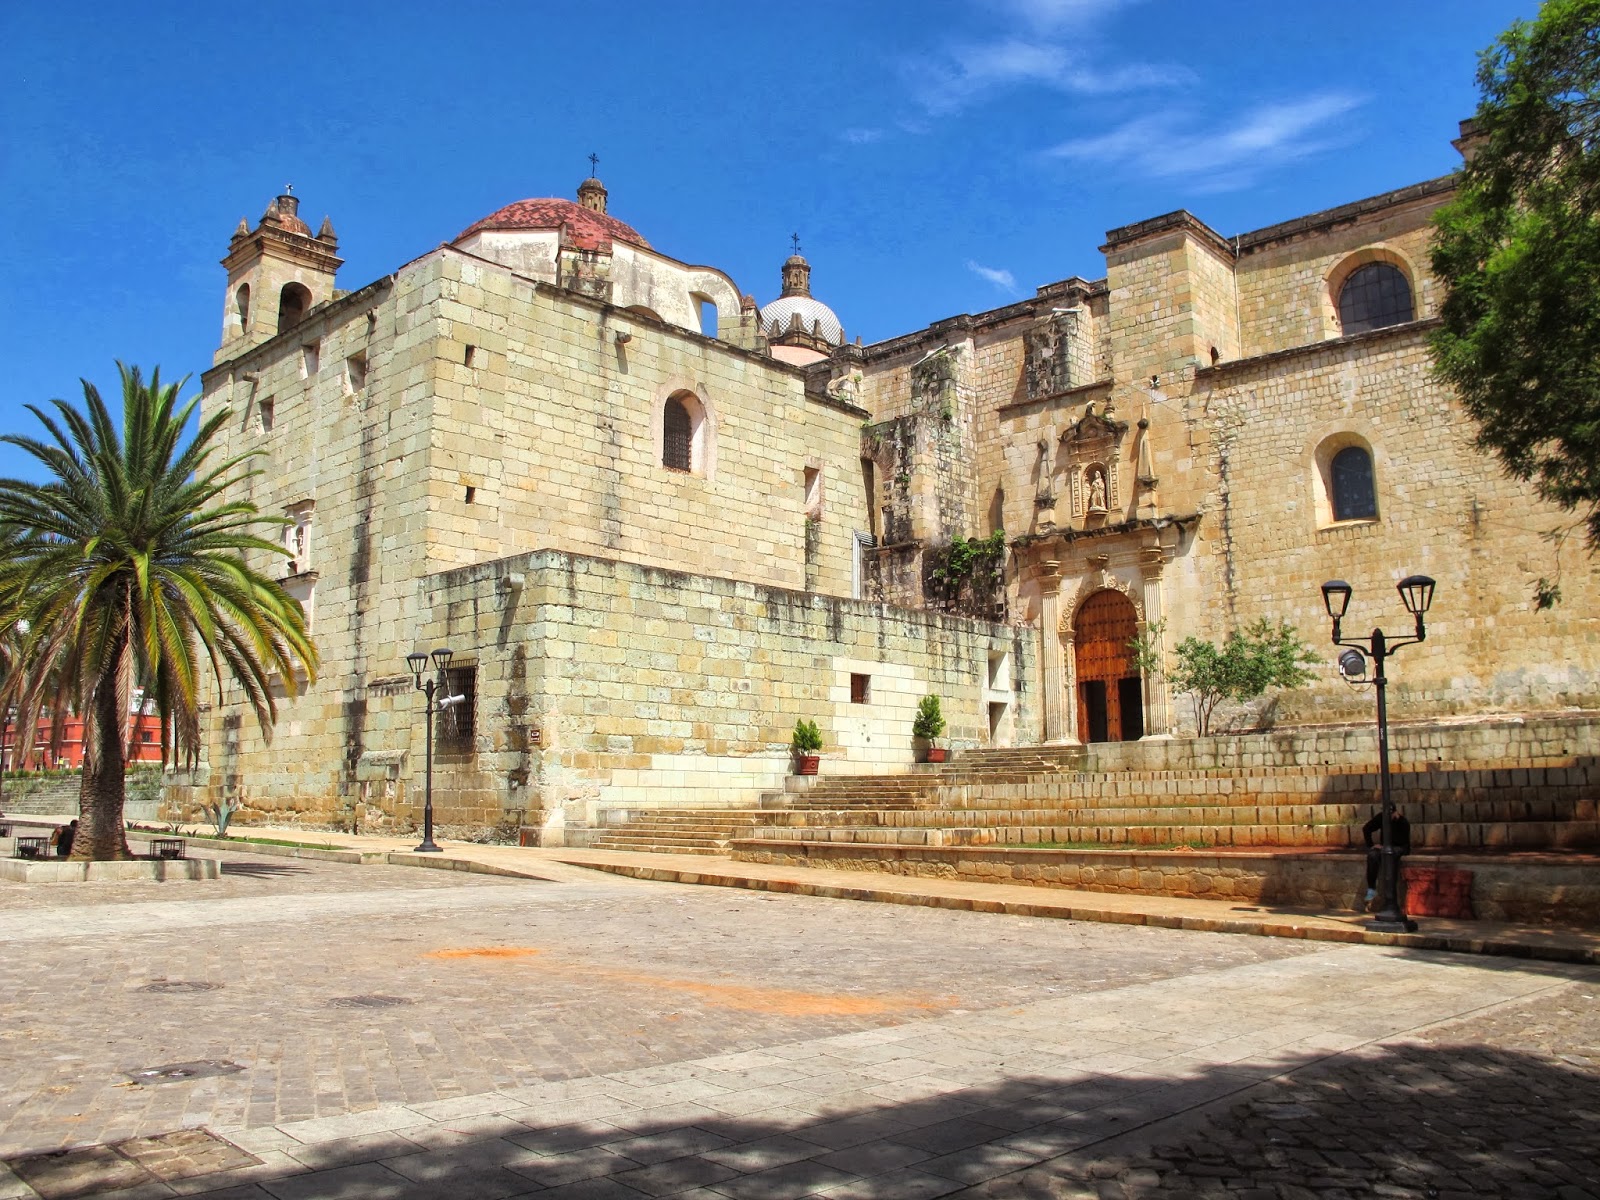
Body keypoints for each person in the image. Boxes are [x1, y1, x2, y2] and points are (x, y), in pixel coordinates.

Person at [1362, 803, 1410, 907]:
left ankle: (1392, 894)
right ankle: (1371, 889)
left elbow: (1403, 841)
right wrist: (1371, 845)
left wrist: (1386, 847)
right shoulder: (1381, 818)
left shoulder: (1403, 822)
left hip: (1399, 847)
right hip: (1385, 847)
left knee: (1391, 856)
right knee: (1372, 855)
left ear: (1395, 813)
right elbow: (1366, 828)